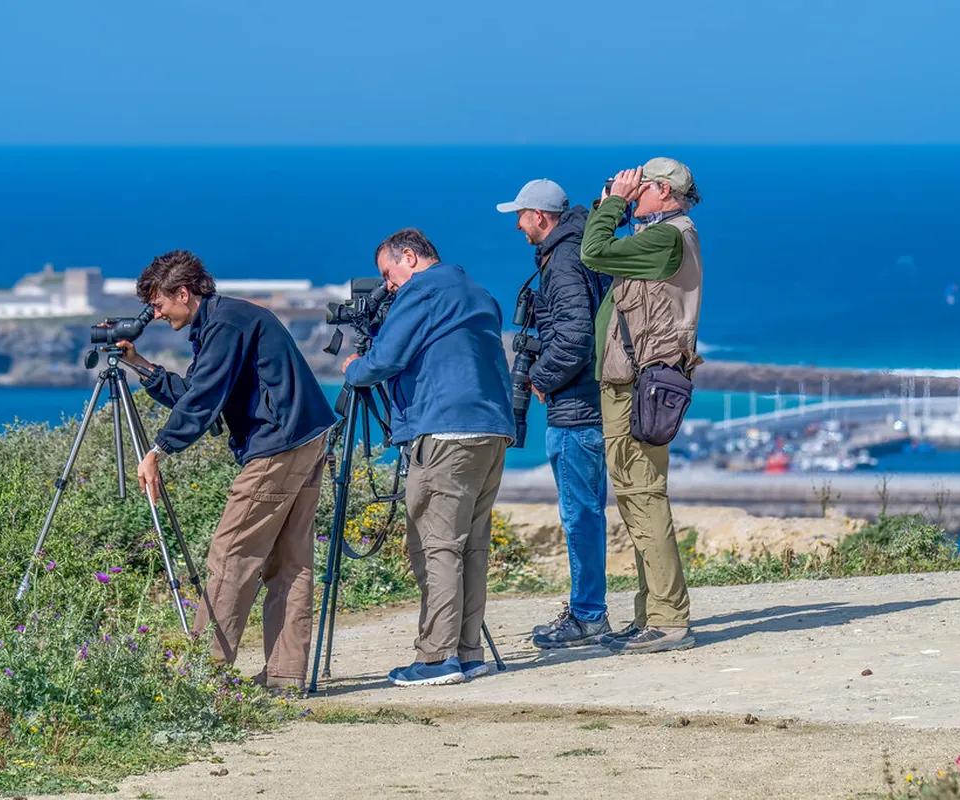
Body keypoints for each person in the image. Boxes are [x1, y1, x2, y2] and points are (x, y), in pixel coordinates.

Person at [120, 249, 336, 691]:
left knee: (231, 554)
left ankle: (204, 677)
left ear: (184, 293)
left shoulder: (225, 325)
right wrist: (141, 365)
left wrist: (158, 450)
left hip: (278, 445)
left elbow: (201, 402)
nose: (156, 314)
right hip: (306, 438)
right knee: (290, 562)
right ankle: (284, 677)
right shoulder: (227, 321)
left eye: (159, 304)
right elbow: (200, 394)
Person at [342, 228, 514, 686]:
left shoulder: (422, 291)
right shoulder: (477, 294)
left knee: (435, 546)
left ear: (412, 258)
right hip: (492, 429)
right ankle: (468, 650)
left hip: (444, 431)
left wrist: (354, 369)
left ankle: (436, 658)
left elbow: (384, 360)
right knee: (471, 546)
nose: (387, 286)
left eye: (388, 273)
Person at [579, 157, 703, 654]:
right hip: (630, 381)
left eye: (642, 187)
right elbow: (606, 246)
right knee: (635, 499)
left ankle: (670, 620)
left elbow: (594, 251)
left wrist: (612, 203)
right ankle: (651, 612)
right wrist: (611, 202)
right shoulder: (659, 234)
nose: (634, 192)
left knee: (643, 496)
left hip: (640, 386)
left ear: (665, 193)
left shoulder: (669, 238)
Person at [495, 179, 613, 648]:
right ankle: (589, 608)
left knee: (579, 513)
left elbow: (575, 335)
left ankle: (587, 614)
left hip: (577, 408)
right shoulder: (580, 245)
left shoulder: (563, 262)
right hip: (589, 401)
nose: (518, 225)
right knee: (586, 510)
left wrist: (540, 378)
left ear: (540, 217)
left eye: (521, 216)